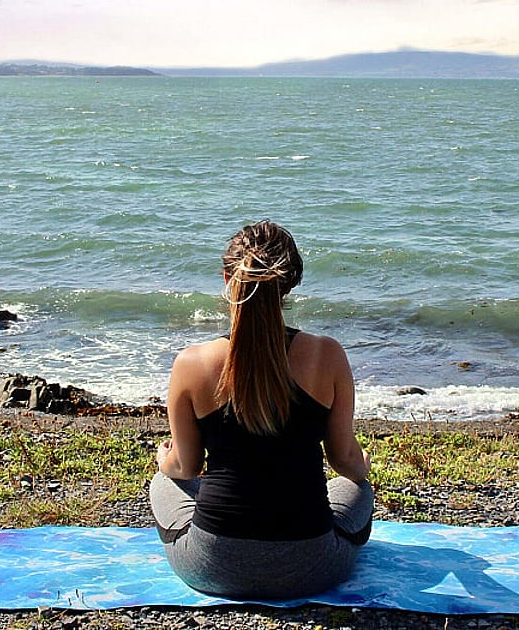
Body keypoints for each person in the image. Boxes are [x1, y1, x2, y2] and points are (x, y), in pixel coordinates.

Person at [150, 220, 374, 599]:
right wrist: (362, 465)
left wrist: (164, 459)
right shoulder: (327, 355)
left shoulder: (192, 363)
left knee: (164, 482)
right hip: (312, 566)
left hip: (215, 566)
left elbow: (186, 467)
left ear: (226, 277)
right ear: (291, 285)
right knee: (357, 489)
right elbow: (344, 461)